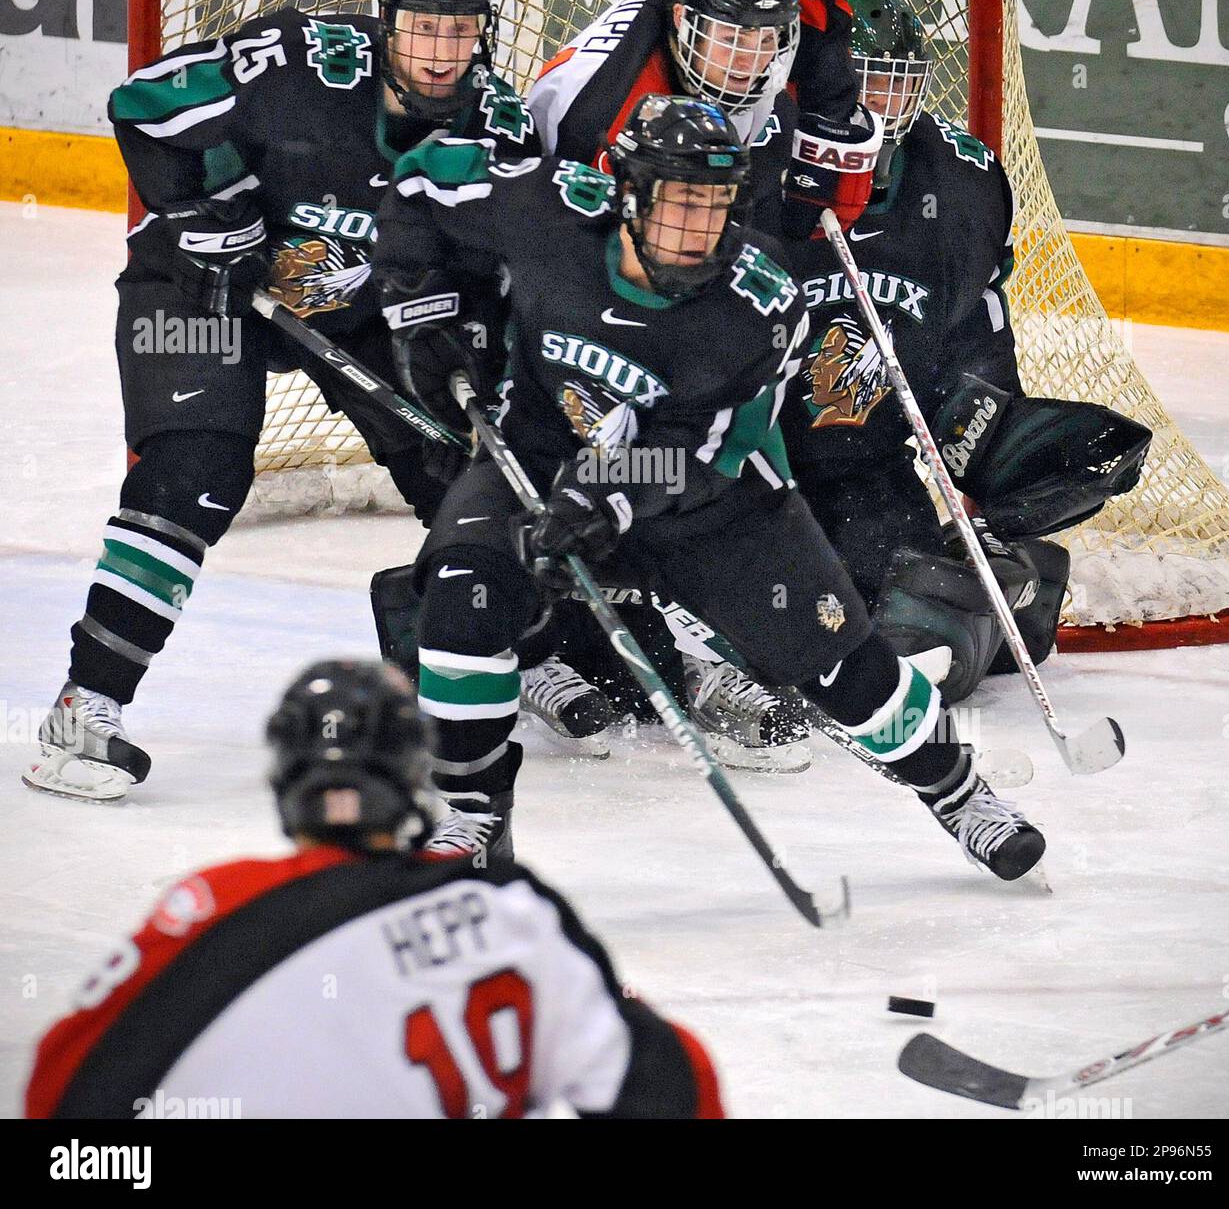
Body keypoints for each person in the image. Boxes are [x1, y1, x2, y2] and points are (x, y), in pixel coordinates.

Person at [371, 92, 1046, 884]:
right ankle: (476, 814)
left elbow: (695, 448)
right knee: (461, 596)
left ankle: (958, 793)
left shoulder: (755, 304)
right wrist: (424, 308)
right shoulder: (542, 209)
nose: (698, 230)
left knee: (842, 668)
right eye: (680, 202)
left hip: (718, 503)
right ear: (628, 192)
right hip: (535, 458)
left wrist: (601, 500)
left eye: (716, 206)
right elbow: (420, 178)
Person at [25, 0, 540, 801]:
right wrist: (204, 216)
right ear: (387, 21)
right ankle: (86, 708)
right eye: (422, 27)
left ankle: (431, 631)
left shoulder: (497, 127)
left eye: (462, 30)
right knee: (197, 472)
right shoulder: (300, 61)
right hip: (202, 289)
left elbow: (499, 264)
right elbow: (143, 102)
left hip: (360, 309)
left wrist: (461, 341)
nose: (441, 52)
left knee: (468, 469)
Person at [25, 659, 722, 1118]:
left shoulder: (218, 910)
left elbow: (62, 1109)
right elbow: (680, 1093)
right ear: (414, 781)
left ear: (282, 781)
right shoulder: (515, 912)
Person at [523, 0, 885, 767]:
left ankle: (727, 641)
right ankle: (551, 639)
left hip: (702, 216)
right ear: (683, 23)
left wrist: (828, 112)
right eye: (727, 36)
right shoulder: (596, 103)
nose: (745, 58)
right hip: (586, 262)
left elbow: (833, 180)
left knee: (733, 430)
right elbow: (552, 242)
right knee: (616, 446)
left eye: (765, 41)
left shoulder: (805, 22)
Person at [780, 0, 1151, 702]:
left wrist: (994, 449)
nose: (880, 110)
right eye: (863, 87)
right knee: (810, 626)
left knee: (943, 611)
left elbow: (973, 329)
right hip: (760, 471)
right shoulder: (763, 166)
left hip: (869, 468)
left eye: (897, 86)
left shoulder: (959, 181)